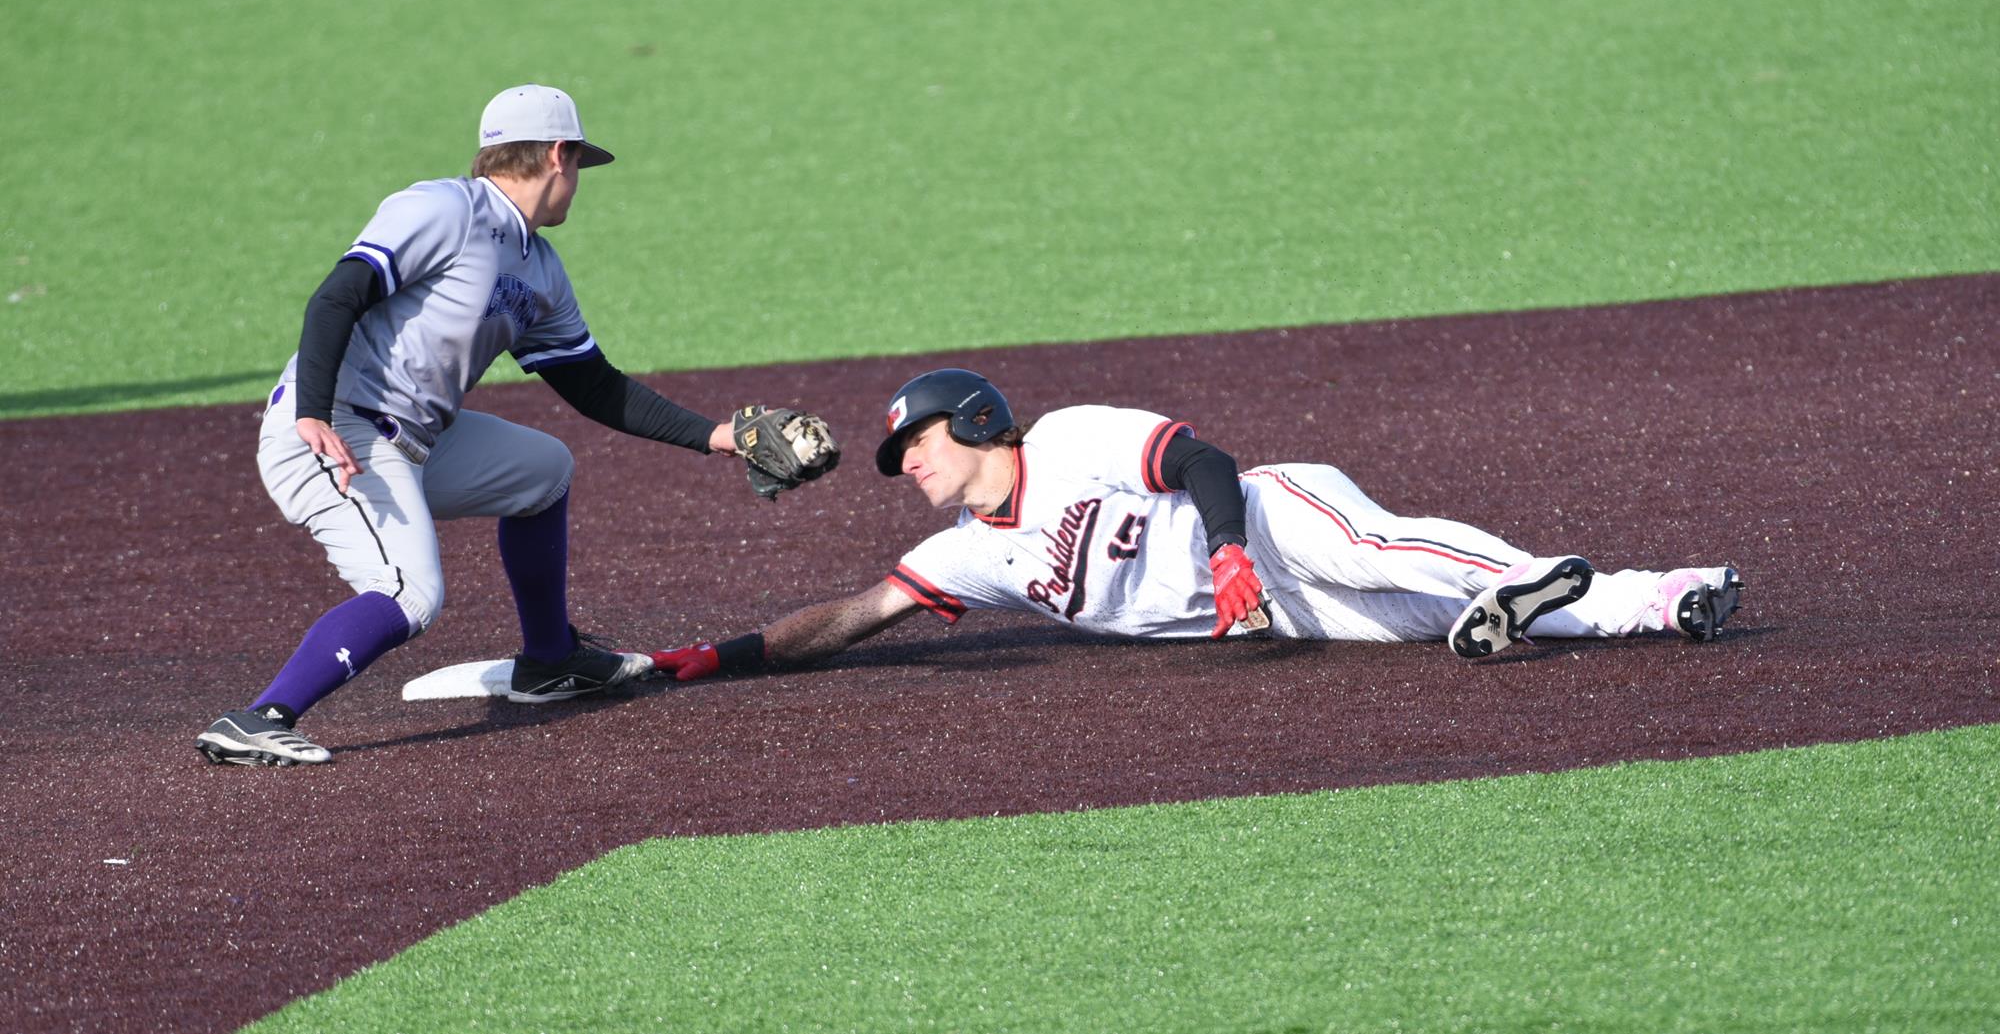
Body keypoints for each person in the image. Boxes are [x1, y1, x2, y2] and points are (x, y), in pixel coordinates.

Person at [197, 84, 831, 766]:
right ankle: (260, 717)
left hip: (413, 441)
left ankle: (550, 659)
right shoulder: (442, 209)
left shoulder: (540, 267)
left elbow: (593, 384)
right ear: (558, 154)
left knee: (542, 470)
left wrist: (722, 435)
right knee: (410, 593)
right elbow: (337, 296)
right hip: (331, 430)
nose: (579, 183)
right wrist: (314, 410)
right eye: (581, 164)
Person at [649, 369, 1743, 681]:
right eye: (899, 456)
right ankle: (1666, 598)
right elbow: (851, 617)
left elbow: (1200, 461)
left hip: (1266, 517)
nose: (909, 461)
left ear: (978, 422)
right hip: (1269, 614)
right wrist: (711, 656)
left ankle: (1535, 571)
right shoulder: (962, 557)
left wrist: (1226, 548)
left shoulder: (1070, 436)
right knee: (1435, 621)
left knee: (1380, 549)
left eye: (920, 439)